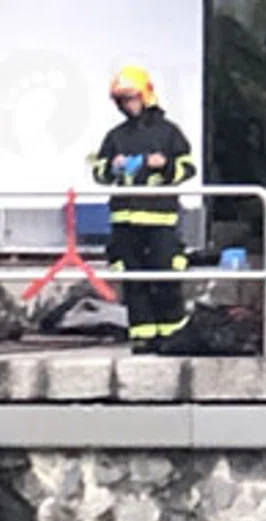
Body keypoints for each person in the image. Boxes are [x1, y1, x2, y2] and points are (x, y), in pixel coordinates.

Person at [92, 65, 197, 354]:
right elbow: (99, 171)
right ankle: (142, 336)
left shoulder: (168, 132)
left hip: (160, 218)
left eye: (131, 98)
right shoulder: (116, 136)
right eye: (122, 100)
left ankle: (172, 334)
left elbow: (187, 167)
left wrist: (164, 166)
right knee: (133, 280)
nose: (127, 105)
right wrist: (112, 168)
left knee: (165, 276)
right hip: (124, 220)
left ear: (145, 95)